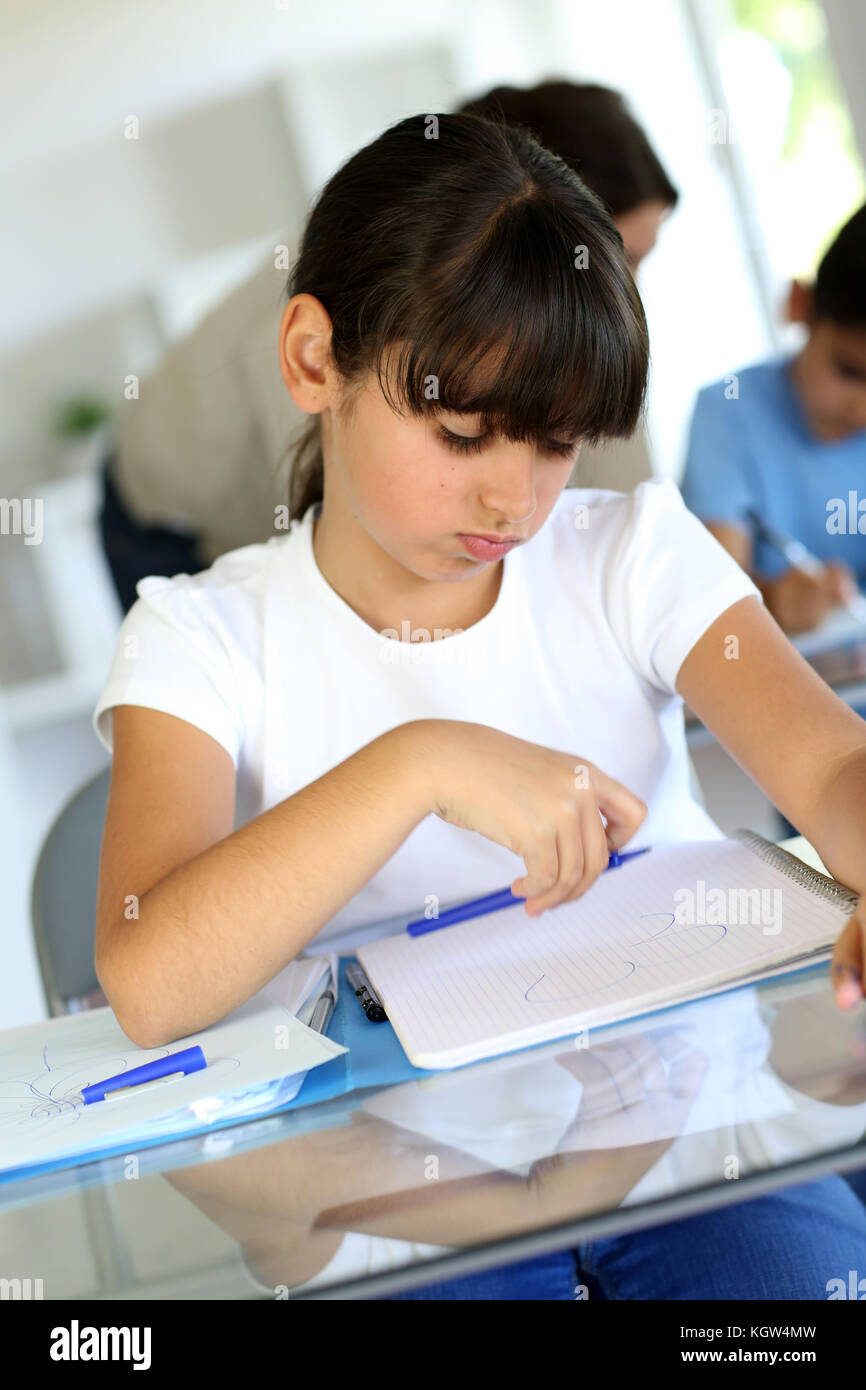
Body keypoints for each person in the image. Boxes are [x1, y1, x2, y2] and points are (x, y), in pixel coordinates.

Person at [92, 112, 866, 1299]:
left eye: (555, 444)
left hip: (700, 1142)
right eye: (462, 433)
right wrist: (420, 762)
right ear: (312, 360)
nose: (514, 496)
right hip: (394, 1195)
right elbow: (149, 977)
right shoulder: (199, 640)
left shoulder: (633, 555)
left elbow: (827, 772)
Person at [98, 80, 678, 611]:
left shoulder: (529, 323)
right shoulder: (362, 291)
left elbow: (626, 495)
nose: (619, 292)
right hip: (166, 521)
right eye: (617, 261)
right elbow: (344, 539)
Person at [680, 203, 866, 635]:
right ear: (799, 305)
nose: (862, 410)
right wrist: (774, 599)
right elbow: (713, 600)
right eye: (849, 372)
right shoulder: (727, 413)